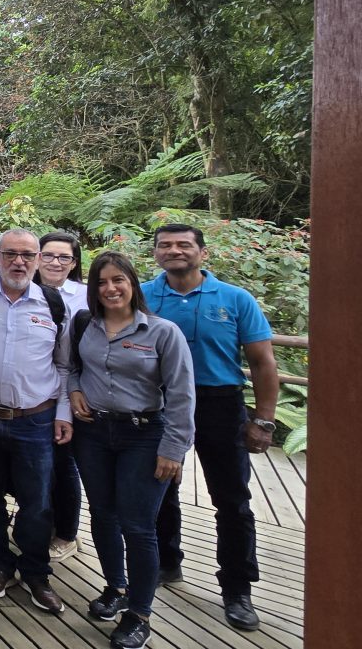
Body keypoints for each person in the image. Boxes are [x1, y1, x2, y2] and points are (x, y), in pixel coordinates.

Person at [142, 223, 277, 632]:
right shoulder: (144, 296)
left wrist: (263, 420)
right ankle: (166, 562)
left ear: (202, 252)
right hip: (160, 403)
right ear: (156, 254)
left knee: (232, 499)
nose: (174, 251)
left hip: (219, 403)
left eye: (184, 245)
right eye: (165, 246)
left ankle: (237, 589)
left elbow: (262, 362)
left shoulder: (234, 299)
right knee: (160, 490)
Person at [70, 251, 196, 649]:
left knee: (139, 525)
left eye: (117, 280)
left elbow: (181, 395)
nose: (110, 289)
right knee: (103, 514)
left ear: (132, 284)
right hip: (93, 432)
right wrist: (74, 390)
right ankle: (116, 588)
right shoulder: (85, 325)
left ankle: (140, 613)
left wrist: (174, 450)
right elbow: (72, 366)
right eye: (102, 282)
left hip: (144, 434)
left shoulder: (161, 333)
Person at [0, 229, 71, 614]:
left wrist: (63, 414)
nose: (19, 262)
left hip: (34, 420)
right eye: (10, 254)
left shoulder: (53, 305)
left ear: (38, 258)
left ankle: (36, 572)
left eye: (27, 255)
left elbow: (64, 365)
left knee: (37, 501)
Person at [35, 230, 88, 561]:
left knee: (64, 464)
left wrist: (66, 409)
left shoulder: (83, 297)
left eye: (63, 257)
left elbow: (70, 362)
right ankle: (39, 522)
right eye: (48, 255)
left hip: (70, 392)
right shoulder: (22, 290)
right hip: (31, 395)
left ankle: (66, 532)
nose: (55, 262)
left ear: (74, 263)